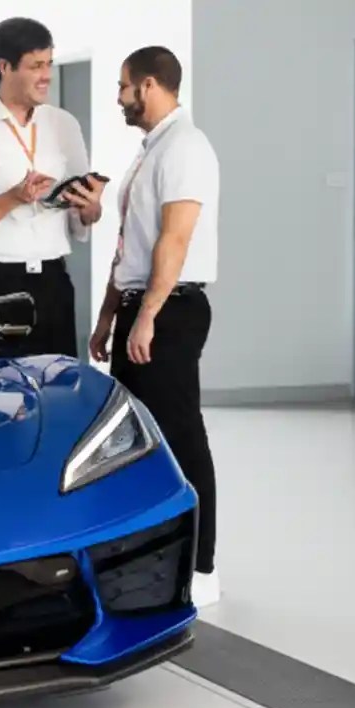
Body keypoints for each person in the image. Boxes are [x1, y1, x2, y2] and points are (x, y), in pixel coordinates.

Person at [89, 46, 221, 607]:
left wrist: (146, 318)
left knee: (180, 435)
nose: (119, 98)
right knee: (132, 439)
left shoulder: (187, 147)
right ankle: (145, 557)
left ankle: (203, 565)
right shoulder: (152, 150)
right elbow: (131, 247)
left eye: (123, 87)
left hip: (170, 310)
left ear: (148, 85)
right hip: (142, 307)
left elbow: (175, 239)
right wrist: (107, 316)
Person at [0, 17, 105, 355]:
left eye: (49, 64)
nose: (47, 76)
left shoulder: (64, 125)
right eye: (36, 66)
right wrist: (14, 197)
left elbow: (81, 219)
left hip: (52, 282)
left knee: (58, 392)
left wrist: (90, 209)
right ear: (5, 67)